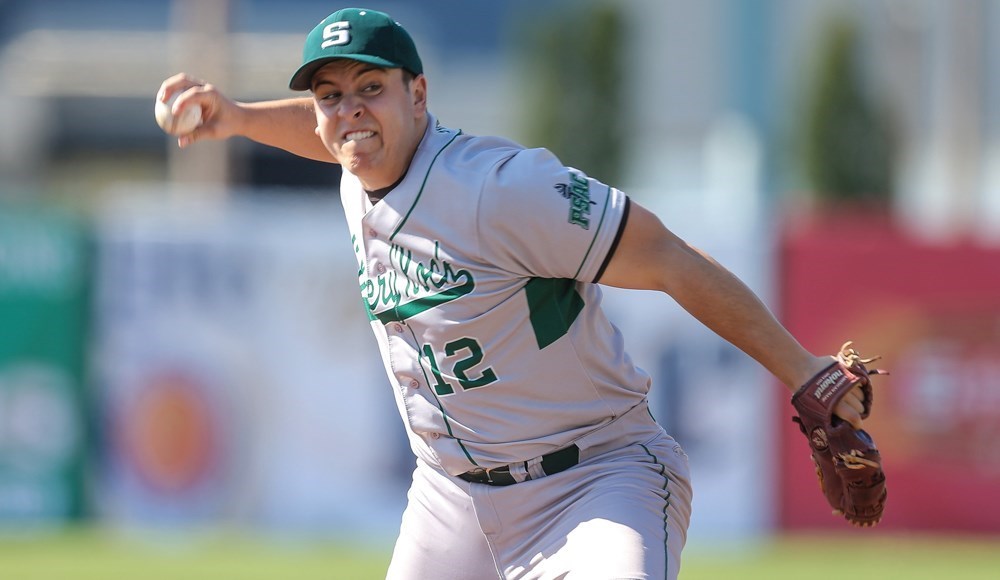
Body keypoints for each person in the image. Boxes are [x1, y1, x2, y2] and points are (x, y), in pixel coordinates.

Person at [157, 8, 871, 579]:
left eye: (371, 88)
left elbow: (670, 258)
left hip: (593, 479)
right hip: (452, 498)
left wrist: (805, 370)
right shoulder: (359, 165)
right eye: (331, 96)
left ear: (419, 93)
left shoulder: (500, 189)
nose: (350, 114)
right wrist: (241, 118)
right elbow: (336, 133)